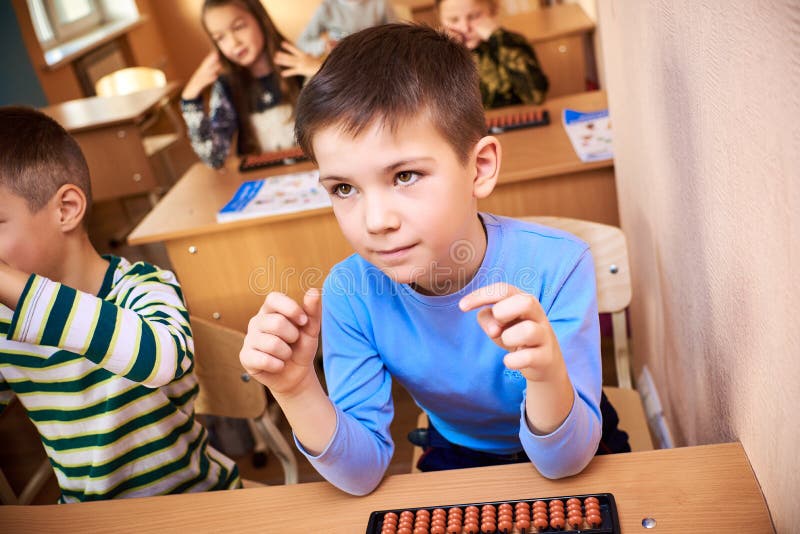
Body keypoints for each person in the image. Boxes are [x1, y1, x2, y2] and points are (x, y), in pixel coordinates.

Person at [239, 24, 627, 497]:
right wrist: (297, 389)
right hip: (457, 450)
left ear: (479, 167)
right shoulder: (349, 294)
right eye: (344, 188)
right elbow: (360, 476)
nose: (376, 220)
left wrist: (545, 375)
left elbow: (563, 463)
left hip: (570, 429)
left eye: (405, 175)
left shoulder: (559, 264)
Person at [0, 106, 240, 503]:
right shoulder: (6, 325)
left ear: (66, 209)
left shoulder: (144, 287)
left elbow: (159, 360)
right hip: (88, 521)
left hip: (197, 504)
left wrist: (9, 283)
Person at [181, 0, 304, 169]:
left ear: (260, 19)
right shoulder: (226, 86)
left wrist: (322, 72)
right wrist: (190, 99)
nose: (233, 43)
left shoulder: (301, 70)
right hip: (261, 181)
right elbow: (214, 158)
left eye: (238, 27)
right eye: (220, 38)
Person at [436, 0, 549, 108]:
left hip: (514, 121)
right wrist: (446, 51)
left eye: (474, 16)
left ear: (494, 10)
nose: (465, 28)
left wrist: (498, 37)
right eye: (453, 20)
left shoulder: (512, 43)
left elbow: (536, 97)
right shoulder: (437, 54)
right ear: (440, 19)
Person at [295, 0, 398, 57]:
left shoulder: (380, 3)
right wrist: (323, 45)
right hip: (343, 62)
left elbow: (397, 36)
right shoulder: (327, 7)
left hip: (374, 57)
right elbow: (302, 42)